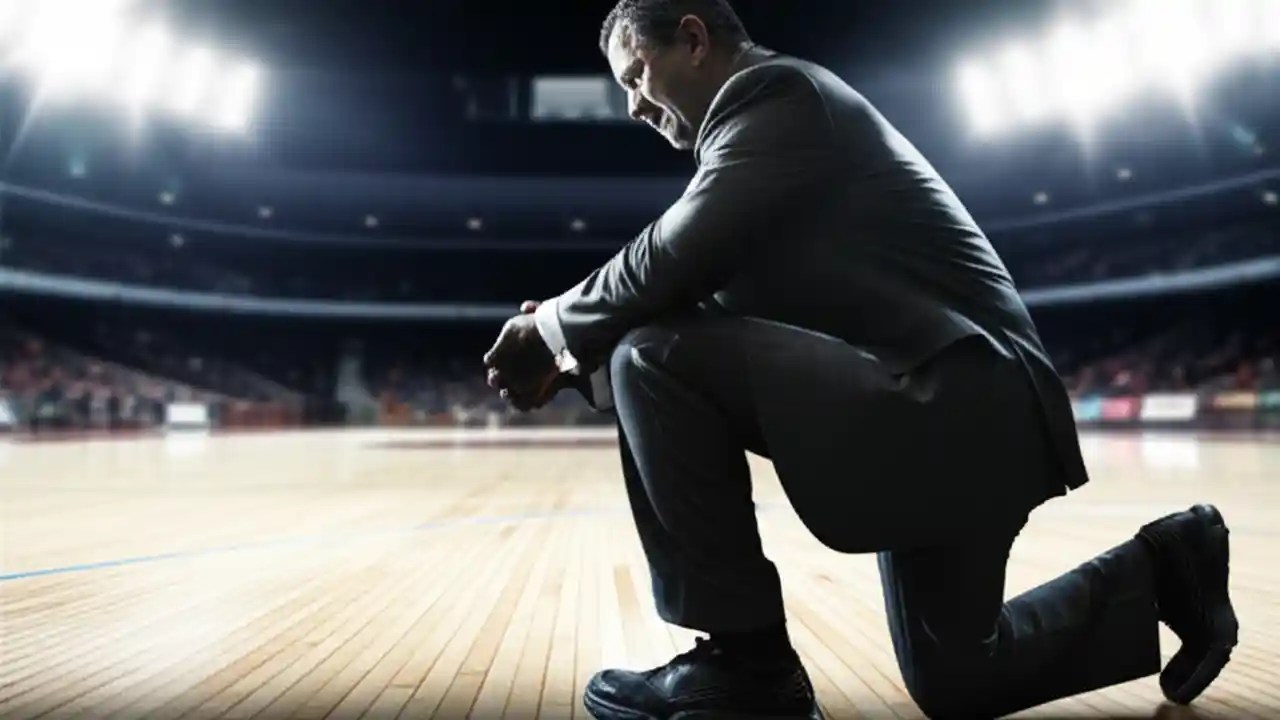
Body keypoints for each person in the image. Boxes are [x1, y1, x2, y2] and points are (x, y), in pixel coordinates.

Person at [482, 1, 1238, 717]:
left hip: (960, 393)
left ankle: (744, 664)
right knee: (959, 680)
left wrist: (551, 329)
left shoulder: (778, 96)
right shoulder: (766, 150)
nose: (632, 107)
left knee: (651, 353)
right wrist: (578, 349)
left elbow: (671, 256)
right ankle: (1169, 564)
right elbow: (688, 297)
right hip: (962, 410)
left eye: (636, 76)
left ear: (693, 38)